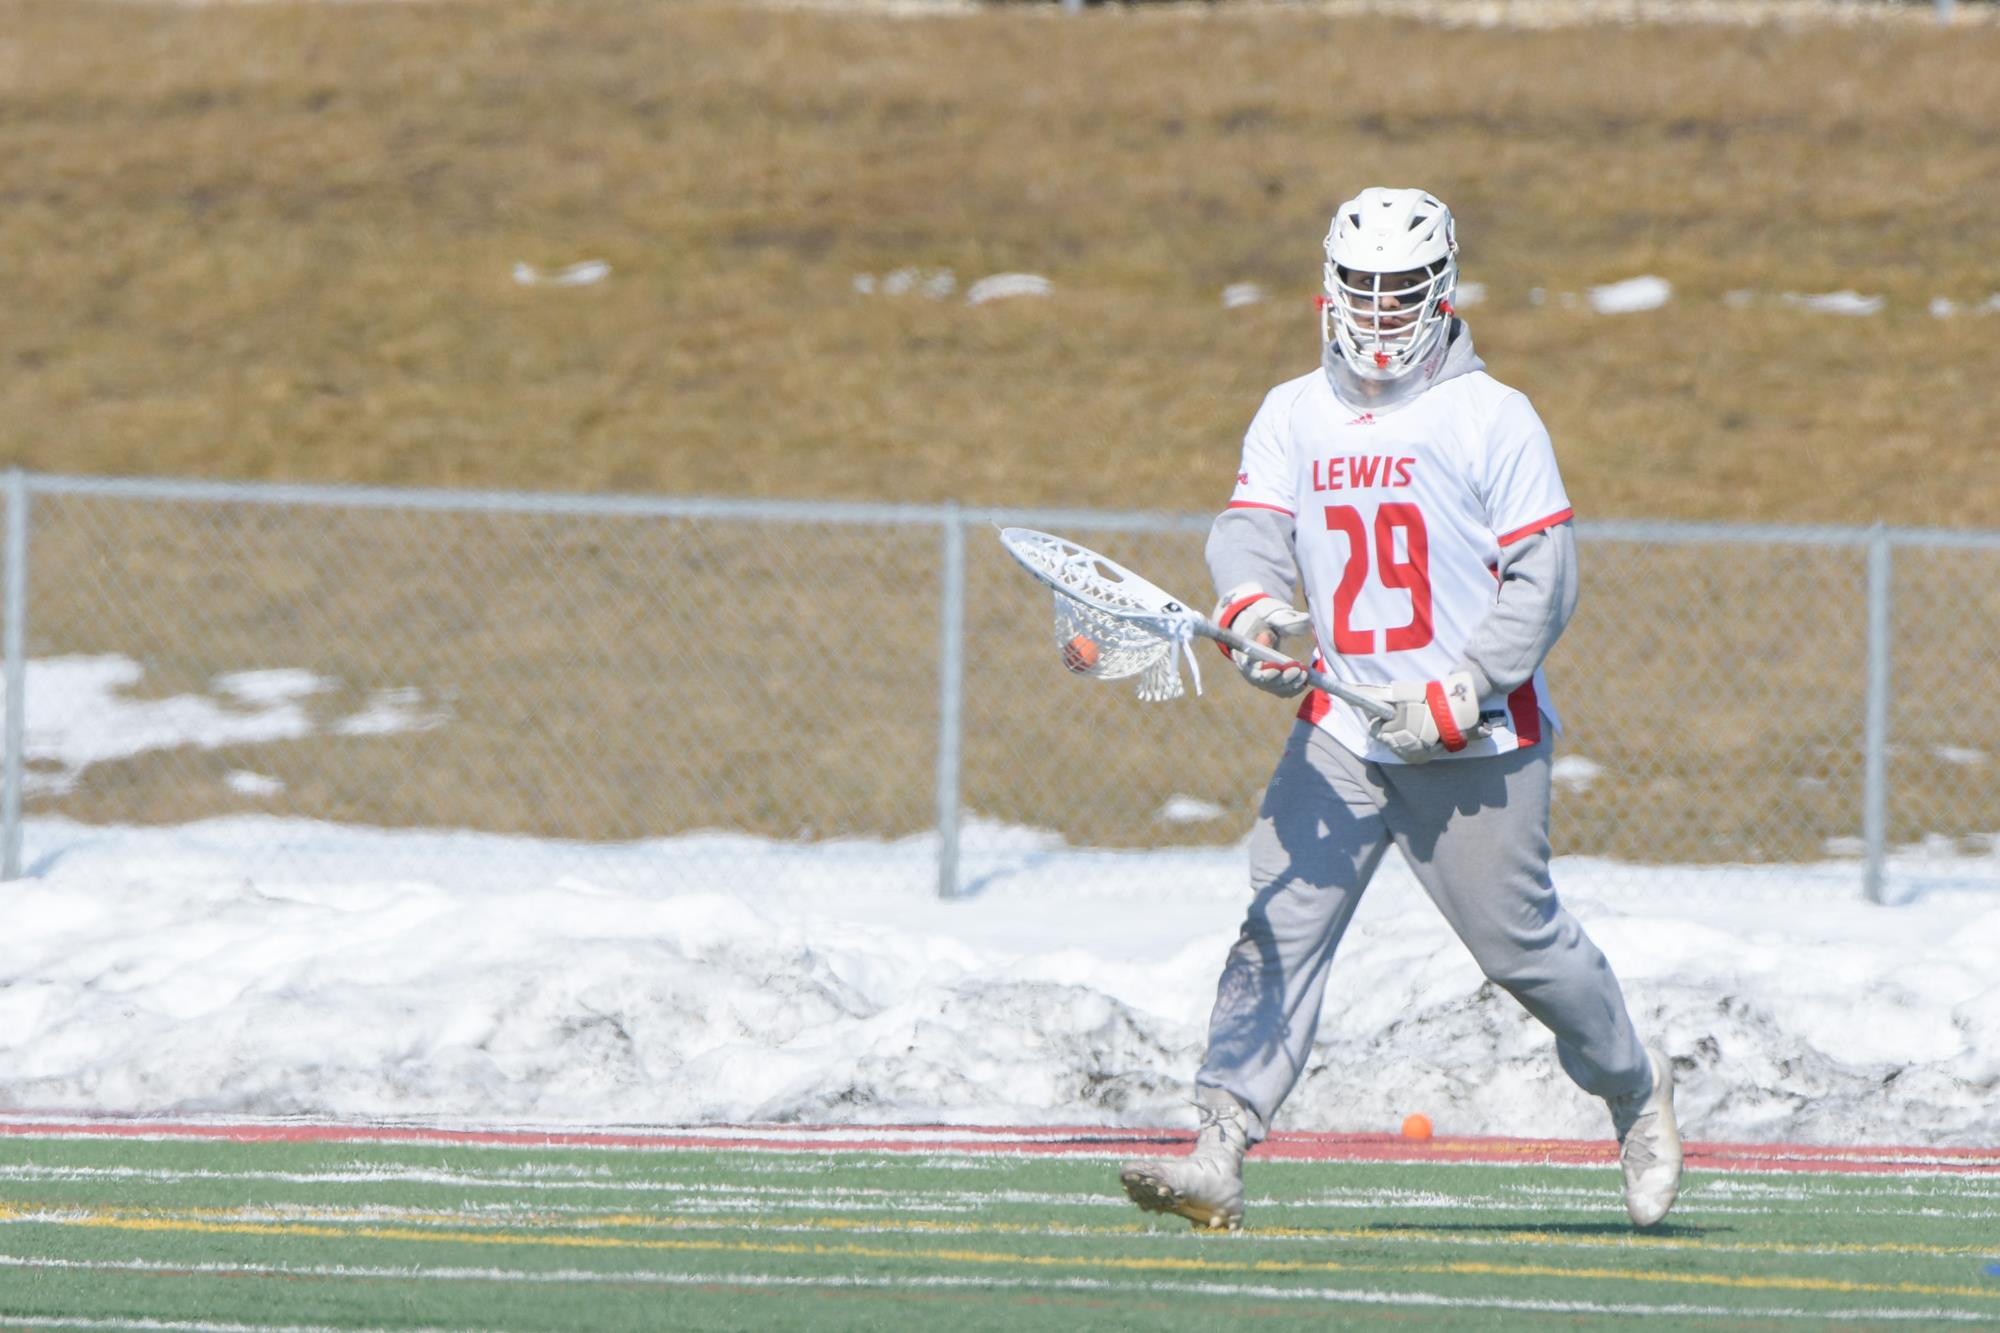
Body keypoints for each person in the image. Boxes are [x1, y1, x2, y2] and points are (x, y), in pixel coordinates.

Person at [1118, 186, 1681, 1232]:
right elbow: (1249, 528)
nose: (1380, 309)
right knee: (1277, 925)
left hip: (1472, 738)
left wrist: (1465, 686)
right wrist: (1253, 611)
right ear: (1327, 288)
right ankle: (1218, 1144)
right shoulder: (1292, 409)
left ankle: (1634, 1090)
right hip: (1342, 728)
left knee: (1519, 950)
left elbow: (1544, 578)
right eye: (1362, 286)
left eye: (1402, 287)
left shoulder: (1492, 415)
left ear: (1444, 286)